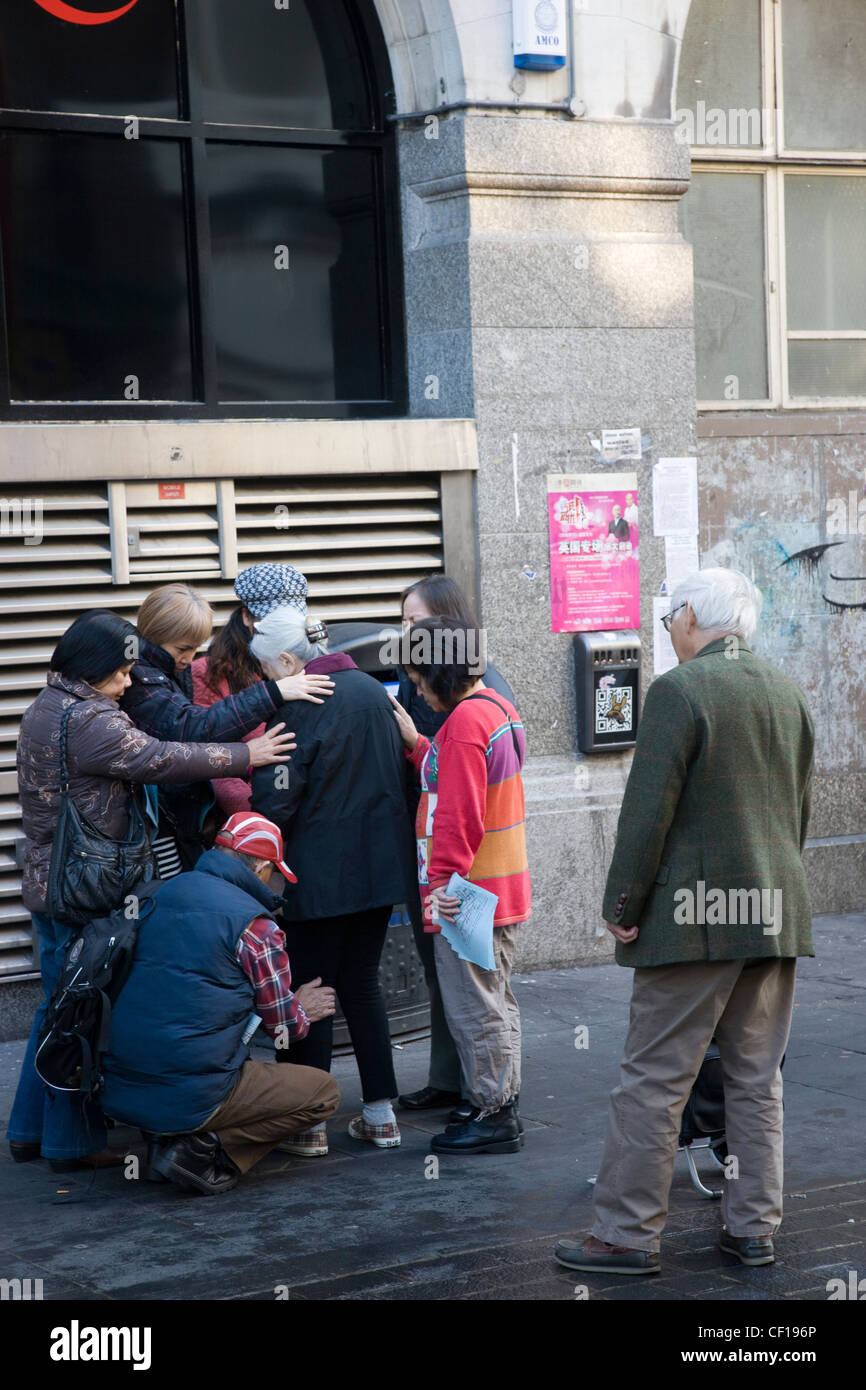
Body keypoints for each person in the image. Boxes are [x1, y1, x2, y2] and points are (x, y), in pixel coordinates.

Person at [553, 568, 815, 1276]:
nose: (667, 631)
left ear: (693, 615)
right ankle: (753, 1228)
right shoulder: (788, 691)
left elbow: (646, 816)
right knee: (757, 1079)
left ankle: (627, 1236)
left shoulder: (677, 691)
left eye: (669, 618)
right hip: (774, 910)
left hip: (695, 920)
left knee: (653, 1079)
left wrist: (620, 907)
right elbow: (797, 810)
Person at [7, 610, 294, 1170]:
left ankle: (28, 1129)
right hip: (83, 886)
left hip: (51, 883)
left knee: (54, 1006)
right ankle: (70, 1144)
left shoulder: (46, 705)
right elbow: (159, 757)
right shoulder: (90, 718)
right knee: (79, 1011)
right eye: (120, 673)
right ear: (93, 669)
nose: (129, 683)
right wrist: (247, 755)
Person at [100, 813, 340, 1196]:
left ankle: (170, 1135)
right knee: (322, 1092)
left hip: (117, 1086)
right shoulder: (256, 926)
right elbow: (285, 1029)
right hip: (192, 1091)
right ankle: (200, 1149)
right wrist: (302, 1007)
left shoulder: (158, 893)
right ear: (262, 867)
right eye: (274, 872)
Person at [251, 606, 416, 1154]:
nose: (273, 686)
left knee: (310, 991)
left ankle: (308, 1124)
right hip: (377, 873)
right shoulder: (373, 691)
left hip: (315, 878)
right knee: (362, 985)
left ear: (291, 660)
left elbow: (276, 799)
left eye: (272, 673)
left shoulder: (298, 705)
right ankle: (382, 1115)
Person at [389, 618, 531, 1155]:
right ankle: (493, 1098)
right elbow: (456, 775)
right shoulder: (494, 708)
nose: (418, 690)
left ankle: (493, 1114)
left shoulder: (468, 721)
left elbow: (459, 814)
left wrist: (444, 881)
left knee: (475, 1007)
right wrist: (419, 743)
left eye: (421, 679)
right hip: (497, 885)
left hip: (470, 893)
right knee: (495, 999)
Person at [120, 581, 333, 873]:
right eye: (183, 649)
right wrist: (272, 697)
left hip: (187, 819)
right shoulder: (144, 678)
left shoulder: (166, 669)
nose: (189, 657)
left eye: (195, 648)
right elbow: (192, 730)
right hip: (167, 824)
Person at [191, 563, 311, 816]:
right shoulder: (209, 673)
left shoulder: (308, 660)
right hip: (254, 817)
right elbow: (211, 758)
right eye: (271, 621)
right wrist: (264, 818)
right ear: (247, 617)